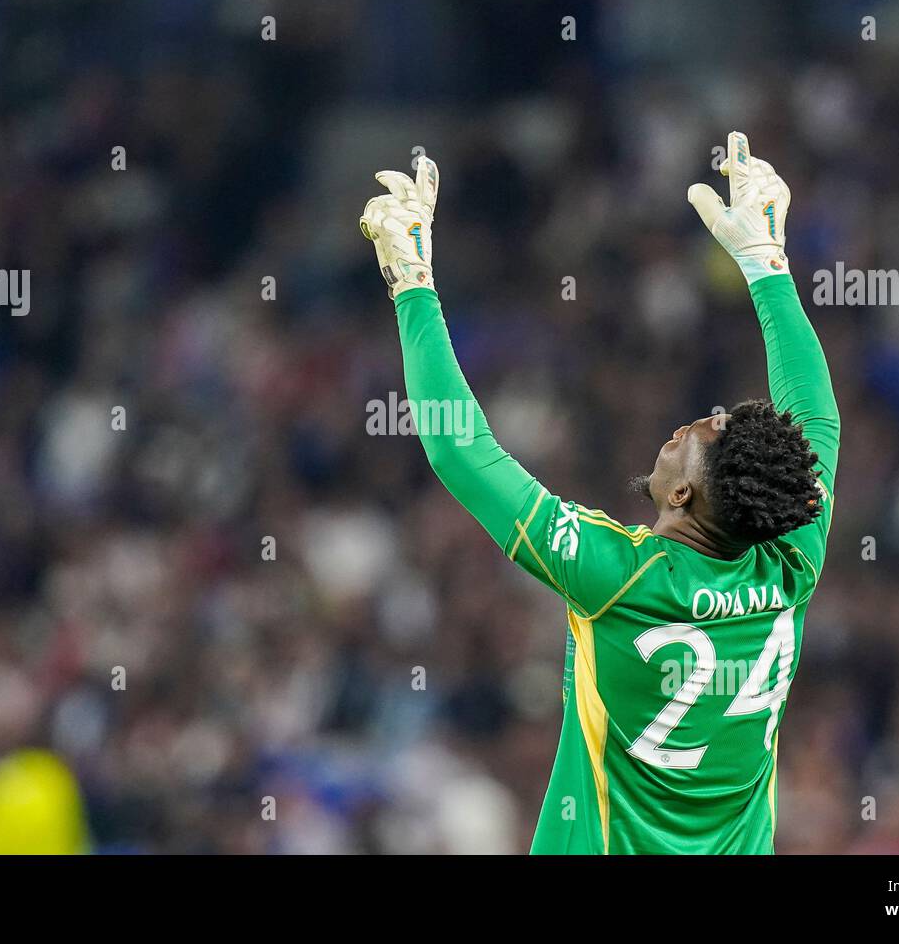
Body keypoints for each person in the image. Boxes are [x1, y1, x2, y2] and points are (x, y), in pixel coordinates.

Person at [359, 132, 839, 854]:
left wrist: (411, 281)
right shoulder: (792, 556)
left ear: (681, 497)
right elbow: (815, 418)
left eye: (694, 438)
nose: (686, 425)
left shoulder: (618, 577)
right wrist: (768, 265)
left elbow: (459, 448)